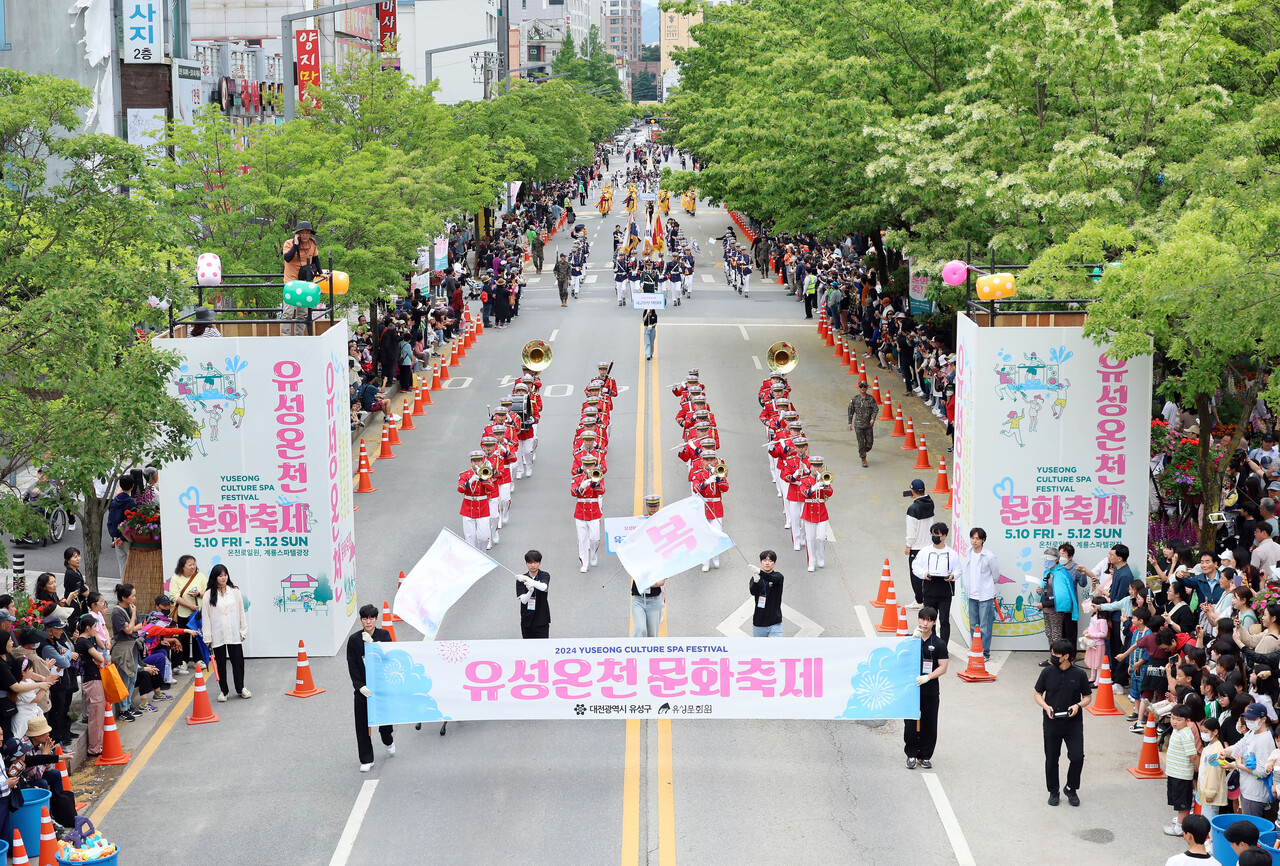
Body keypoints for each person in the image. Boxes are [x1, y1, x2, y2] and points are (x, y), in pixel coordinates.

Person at [1034, 638, 1093, 807]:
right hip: (1051, 722)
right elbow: (1037, 693)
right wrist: (1046, 707)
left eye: (1055, 655)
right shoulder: (1047, 673)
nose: (1052, 658)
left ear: (1066, 656)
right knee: (1052, 758)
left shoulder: (1079, 674)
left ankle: (1071, 788)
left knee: (1077, 757)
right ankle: (1053, 791)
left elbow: (1087, 697)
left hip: (1073, 724)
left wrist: (1078, 705)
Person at [347, 604, 394, 772]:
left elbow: (387, 657)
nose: (368, 621)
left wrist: (372, 644)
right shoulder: (353, 640)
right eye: (365, 618)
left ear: (376, 619)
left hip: (381, 687)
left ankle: (388, 739)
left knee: (384, 721)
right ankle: (367, 758)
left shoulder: (384, 635)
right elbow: (352, 666)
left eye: (371, 618)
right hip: (364, 689)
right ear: (361, 620)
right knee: (361, 724)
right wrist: (360, 686)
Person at [905, 606, 949, 769]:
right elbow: (900, 659)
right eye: (922, 619)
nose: (925, 623)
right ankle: (911, 754)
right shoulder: (909, 639)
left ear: (934, 622)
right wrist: (912, 642)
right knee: (910, 723)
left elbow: (943, 666)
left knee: (929, 723)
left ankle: (925, 755)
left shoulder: (938, 643)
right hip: (911, 690)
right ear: (918, 619)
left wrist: (928, 677)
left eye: (929, 620)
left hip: (929, 690)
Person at [200, 564, 249, 702]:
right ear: (215, 577)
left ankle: (241, 688)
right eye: (220, 575)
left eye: (225, 575)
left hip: (233, 633)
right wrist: (207, 636)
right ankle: (224, 691)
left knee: (238, 661)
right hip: (217, 634)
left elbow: (241, 612)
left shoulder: (235, 591)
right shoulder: (208, 595)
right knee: (220, 663)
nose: (223, 578)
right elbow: (206, 617)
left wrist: (242, 630)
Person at [1221, 703, 1276, 816]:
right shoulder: (1252, 733)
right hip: (1246, 790)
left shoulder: (1265, 740)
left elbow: (1262, 771)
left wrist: (1240, 766)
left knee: (1251, 828)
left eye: (1252, 718)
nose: (1248, 721)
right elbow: (1239, 746)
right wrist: (1225, 752)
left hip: (1255, 794)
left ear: (1263, 719)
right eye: (1247, 718)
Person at [911, 522, 962, 644]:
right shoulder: (925, 551)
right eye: (932, 534)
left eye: (937, 534)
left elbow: (958, 569)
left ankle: (943, 646)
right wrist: (924, 574)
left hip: (945, 592)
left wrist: (952, 575)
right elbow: (915, 566)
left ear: (944, 536)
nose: (934, 537)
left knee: (944, 620)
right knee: (929, 621)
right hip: (929, 590)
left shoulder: (952, 553)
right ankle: (931, 644)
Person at [961, 528, 1000, 660]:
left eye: (977, 538)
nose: (974, 541)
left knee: (984, 627)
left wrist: (988, 586)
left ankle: (985, 653)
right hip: (972, 595)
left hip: (985, 596)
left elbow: (995, 575)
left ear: (983, 540)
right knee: (973, 625)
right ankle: (975, 649)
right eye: (972, 538)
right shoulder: (968, 552)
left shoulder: (989, 556)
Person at [72, 614, 106, 758]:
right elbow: (100, 658)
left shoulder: (81, 642)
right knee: (96, 715)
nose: (96, 630)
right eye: (94, 627)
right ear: (88, 628)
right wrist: (97, 657)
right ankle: (95, 748)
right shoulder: (84, 642)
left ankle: (97, 745)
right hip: (92, 680)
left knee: (97, 714)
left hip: (90, 679)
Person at [1164, 704, 1199, 836]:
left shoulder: (1185, 734)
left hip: (1182, 774)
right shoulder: (1178, 730)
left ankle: (1180, 827)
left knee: (1183, 803)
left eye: (1179, 719)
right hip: (1174, 772)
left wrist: (1198, 769)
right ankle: (1181, 821)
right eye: (1172, 718)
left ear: (1187, 721)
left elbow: (1193, 755)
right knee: (1178, 801)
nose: (1174, 722)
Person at [282, 220, 321, 335]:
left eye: (307, 233)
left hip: (304, 283)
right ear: (297, 233)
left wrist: (320, 272)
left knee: (302, 313)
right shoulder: (288, 243)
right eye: (302, 233)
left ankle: (299, 336)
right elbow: (287, 258)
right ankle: (285, 337)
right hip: (291, 282)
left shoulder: (312, 244)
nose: (305, 235)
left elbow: (316, 259)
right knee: (288, 312)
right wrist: (295, 245)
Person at [167, 554, 204, 674]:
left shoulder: (201, 576)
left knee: (198, 635)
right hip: (184, 613)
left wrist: (198, 594)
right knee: (184, 636)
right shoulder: (176, 578)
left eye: (194, 564)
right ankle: (184, 660)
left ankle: (199, 659)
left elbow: (208, 591)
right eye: (189, 565)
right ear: (182, 566)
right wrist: (189, 606)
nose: (192, 567)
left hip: (198, 613)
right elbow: (174, 596)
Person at [108, 583, 140, 721]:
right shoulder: (117, 612)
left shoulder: (132, 608)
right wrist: (132, 617)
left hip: (133, 645)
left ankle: (128, 705)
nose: (134, 598)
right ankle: (123, 709)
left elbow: (139, 625)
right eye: (132, 596)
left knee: (133, 676)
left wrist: (132, 626)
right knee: (124, 677)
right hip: (122, 647)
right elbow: (128, 630)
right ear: (124, 597)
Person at [903, 479, 935, 610]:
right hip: (928, 545)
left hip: (916, 547)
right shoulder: (930, 503)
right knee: (927, 573)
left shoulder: (913, 508)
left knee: (915, 574)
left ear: (912, 491)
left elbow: (912, 531)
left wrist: (908, 545)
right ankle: (927, 598)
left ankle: (919, 600)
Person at [748, 551, 784, 637]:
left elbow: (772, 578)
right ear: (761, 562)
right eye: (764, 560)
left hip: (775, 624)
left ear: (774, 563)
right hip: (759, 623)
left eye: (770, 560)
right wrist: (756, 581)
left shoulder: (778, 576)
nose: (767, 563)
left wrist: (759, 572)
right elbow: (753, 592)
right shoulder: (755, 577)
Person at [106, 474, 136, 577]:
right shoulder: (132, 502)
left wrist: (115, 536)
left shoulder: (115, 501)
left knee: (122, 564)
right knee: (131, 565)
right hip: (127, 538)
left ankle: (123, 587)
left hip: (117, 538)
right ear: (132, 486)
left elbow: (111, 520)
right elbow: (131, 522)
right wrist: (123, 537)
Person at [517, 550, 551, 639]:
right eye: (530, 562)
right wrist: (530, 592)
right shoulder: (520, 579)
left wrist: (527, 579)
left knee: (542, 649)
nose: (532, 565)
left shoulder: (544, 575)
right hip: (527, 620)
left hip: (542, 619)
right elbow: (523, 600)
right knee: (528, 649)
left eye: (535, 562)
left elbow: (543, 587)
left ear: (539, 563)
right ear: (526, 563)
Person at [846, 381, 878, 467]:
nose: (863, 388)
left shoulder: (871, 399)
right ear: (858, 388)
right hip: (858, 425)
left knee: (869, 443)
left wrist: (873, 418)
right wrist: (850, 422)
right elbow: (850, 411)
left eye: (864, 386)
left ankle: (864, 450)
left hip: (868, 425)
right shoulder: (855, 399)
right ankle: (863, 459)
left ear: (867, 388)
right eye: (861, 386)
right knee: (861, 442)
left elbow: (875, 409)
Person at [63, 547, 88, 622]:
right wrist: (87, 589)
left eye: (79, 556)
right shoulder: (71, 574)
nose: (78, 559)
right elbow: (86, 592)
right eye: (75, 557)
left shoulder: (76, 571)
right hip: (73, 604)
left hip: (79, 603)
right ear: (68, 560)